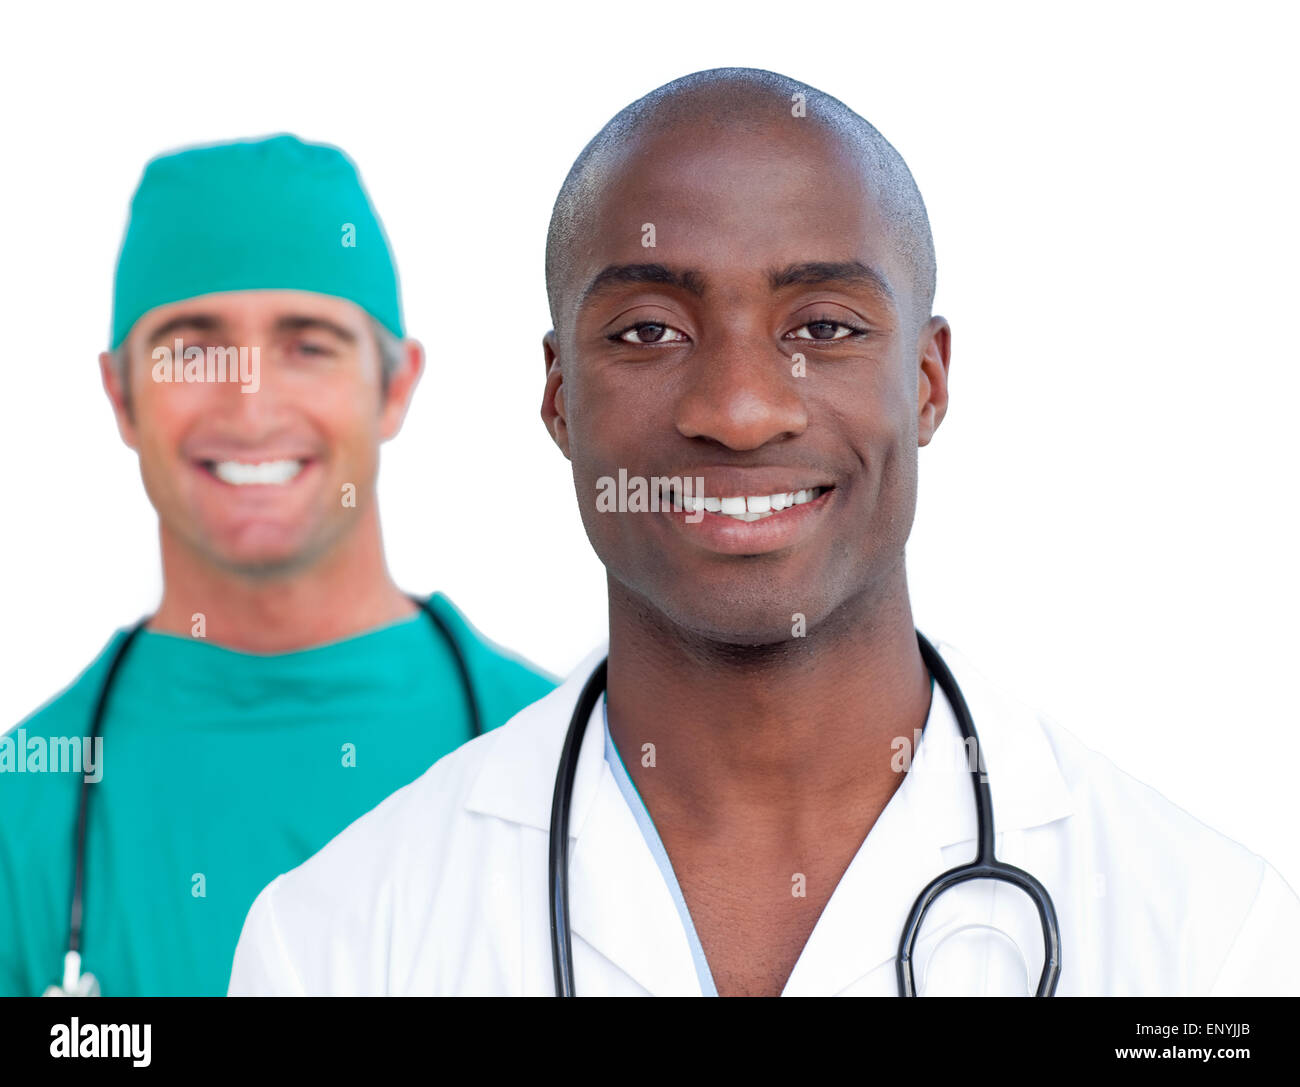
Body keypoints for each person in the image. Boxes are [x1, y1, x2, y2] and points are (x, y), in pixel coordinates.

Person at [227, 73, 1300, 996]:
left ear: (925, 382)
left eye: (822, 329)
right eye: (649, 331)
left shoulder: (1204, 939)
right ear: (559, 396)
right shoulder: (336, 942)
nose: (740, 409)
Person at [0, 134, 555, 997]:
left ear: (396, 386)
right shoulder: (23, 805)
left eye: (308, 344)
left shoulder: (569, 763)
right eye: (195, 348)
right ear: (120, 395)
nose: (251, 407)